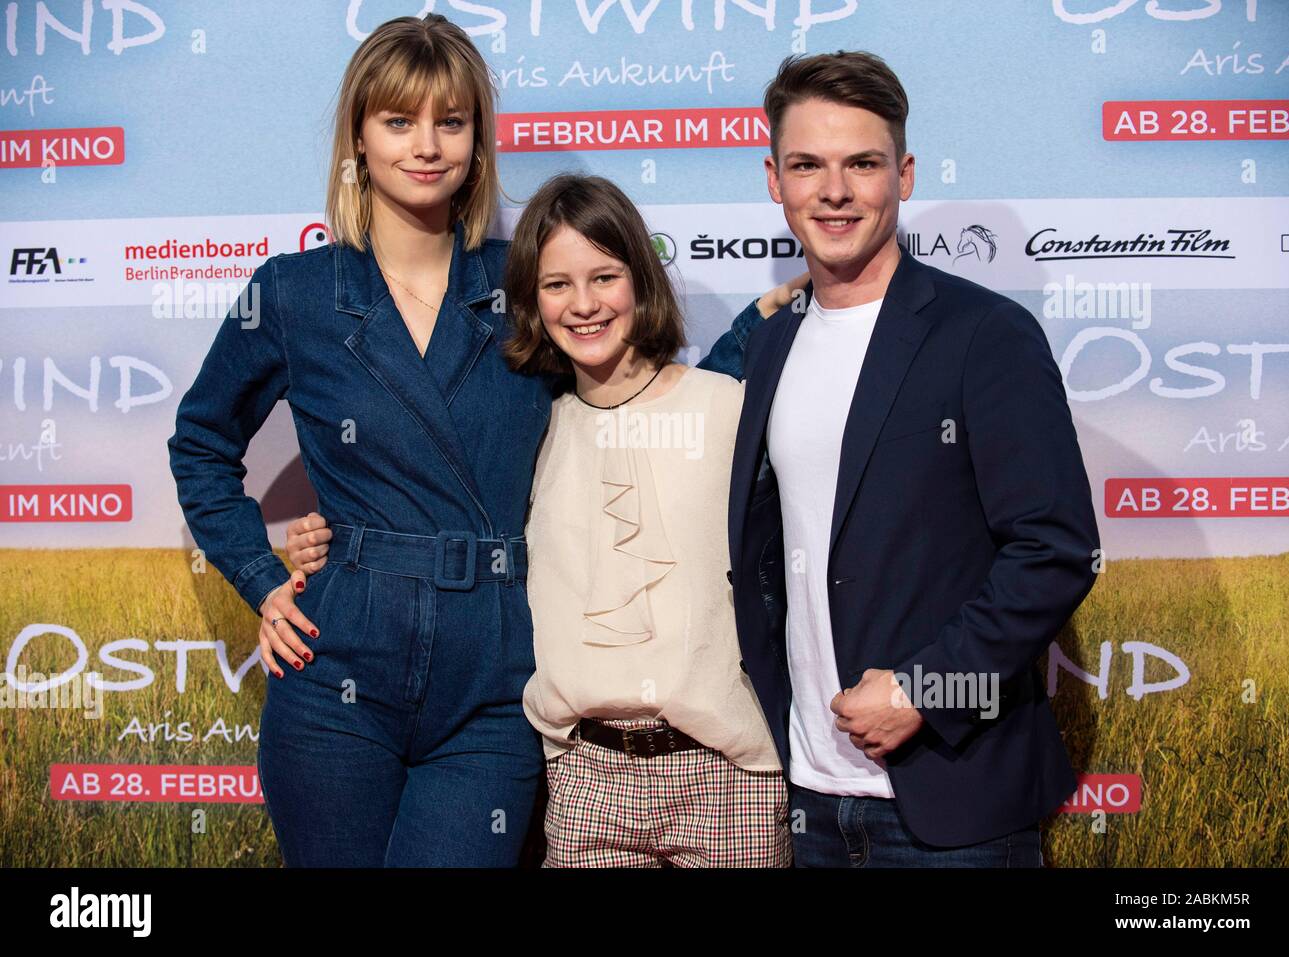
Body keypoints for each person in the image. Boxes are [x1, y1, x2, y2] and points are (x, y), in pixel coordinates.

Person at [168, 14, 795, 867]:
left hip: (494, 679)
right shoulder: (294, 292)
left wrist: (748, 340)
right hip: (339, 667)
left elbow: (627, 386)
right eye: (398, 121)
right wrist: (257, 573)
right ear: (359, 132)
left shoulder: (522, 283)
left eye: (451, 122)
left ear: (476, 138)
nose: (426, 145)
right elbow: (201, 442)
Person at [292, 173, 794, 867]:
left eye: (605, 277)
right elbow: (432, 501)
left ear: (641, 280)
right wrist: (331, 537)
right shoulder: (533, 428)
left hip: (726, 781)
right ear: (529, 300)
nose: (583, 304)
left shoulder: (728, 409)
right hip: (585, 781)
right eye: (557, 284)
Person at [727, 51, 1100, 867]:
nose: (834, 190)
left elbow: (1057, 547)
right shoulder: (772, 346)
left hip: (951, 806)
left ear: (904, 172)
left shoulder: (983, 335)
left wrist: (924, 691)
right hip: (808, 802)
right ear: (773, 178)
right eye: (807, 165)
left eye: (862, 163)